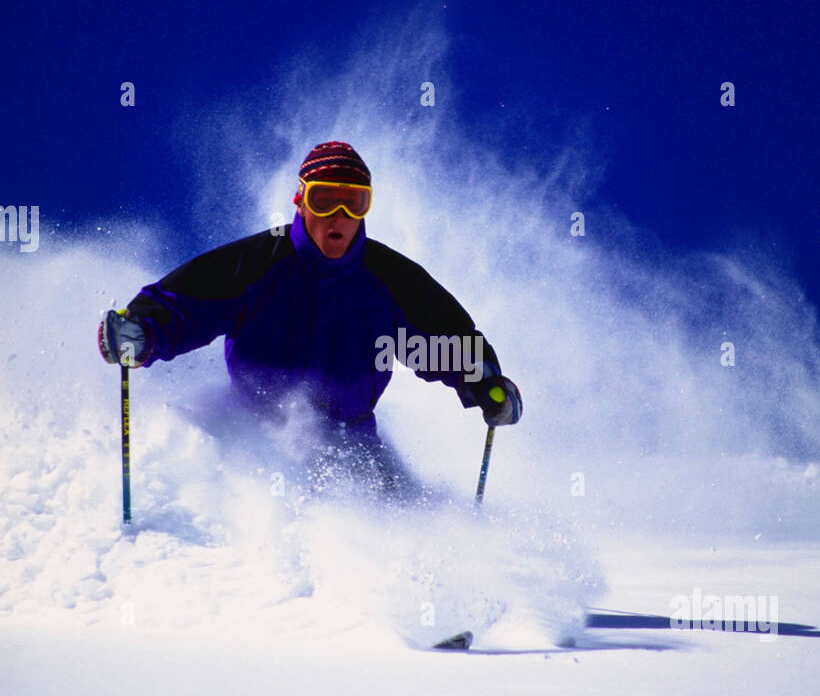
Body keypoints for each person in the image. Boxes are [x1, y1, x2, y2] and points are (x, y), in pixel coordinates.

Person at [98, 141, 522, 494]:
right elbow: (186, 303)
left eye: (354, 203)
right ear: (301, 201)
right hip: (249, 435)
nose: (340, 216)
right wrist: (142, 330)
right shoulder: (259, 263)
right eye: (325, 199)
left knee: (415, 521)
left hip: (354, 449)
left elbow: (447, 341)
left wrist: (484, 382)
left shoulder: (390, 281)